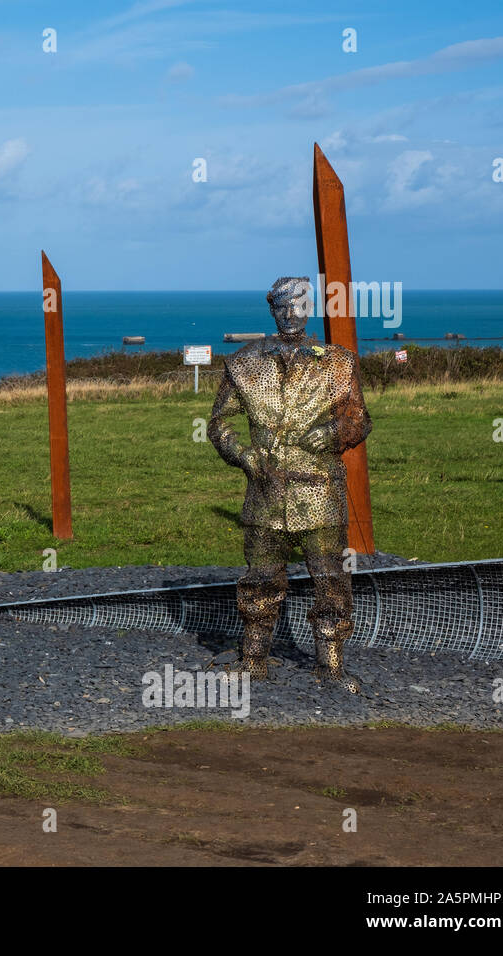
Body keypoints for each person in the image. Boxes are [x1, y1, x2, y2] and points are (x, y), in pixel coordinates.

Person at [207, 276, 372, 693]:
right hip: (266, 492)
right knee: (260, 577)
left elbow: (359, 419)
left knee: (330, 579)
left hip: (320, 492)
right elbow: (219, 422)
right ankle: (254, 660)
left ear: (310, 307)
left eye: (299, 305)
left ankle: (330, 666)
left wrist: (332, 434)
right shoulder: (244, 364)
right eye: (282, 307)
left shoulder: (339, 362)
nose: (291, 314)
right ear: (272, 311)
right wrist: (245, 457)